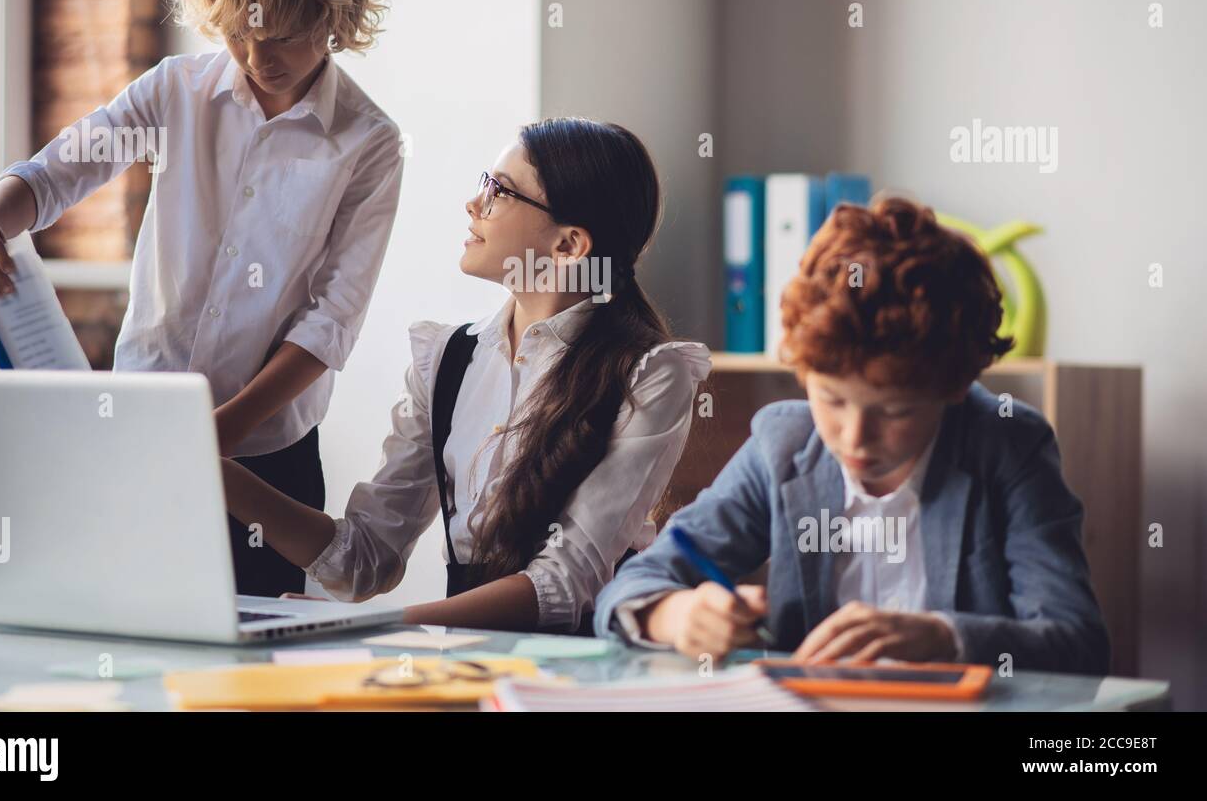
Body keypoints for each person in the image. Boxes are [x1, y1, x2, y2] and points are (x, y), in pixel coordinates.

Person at [0, 0, 401, 597]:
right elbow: (54, 173)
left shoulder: (369, 144)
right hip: (136, 428)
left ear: (334, 15)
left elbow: (330, 323)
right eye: (235, 33)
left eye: (279, 34)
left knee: (252, 670)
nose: (256, 55)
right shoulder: (172, 92)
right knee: (129, 635)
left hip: (269, 460)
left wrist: (212, 434)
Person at [221, 118, 711, 633]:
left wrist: (379, 624)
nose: (474, 204)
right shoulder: (446, 359)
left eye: (500, 192)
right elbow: (364, 559)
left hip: (581, 671)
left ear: (568, 246)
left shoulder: (650, 372)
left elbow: (563, 585)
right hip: (467, 664)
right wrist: (214, 468)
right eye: (485, 181)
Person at [595, 196, 1110, 674]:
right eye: (832, 400)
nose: (855, 437)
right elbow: (632, 586)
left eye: (895, 410)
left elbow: (1077, 642)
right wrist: (676, 612)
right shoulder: (786, 444)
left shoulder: (1009, 447)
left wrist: (943, 637)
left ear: (955, 386)